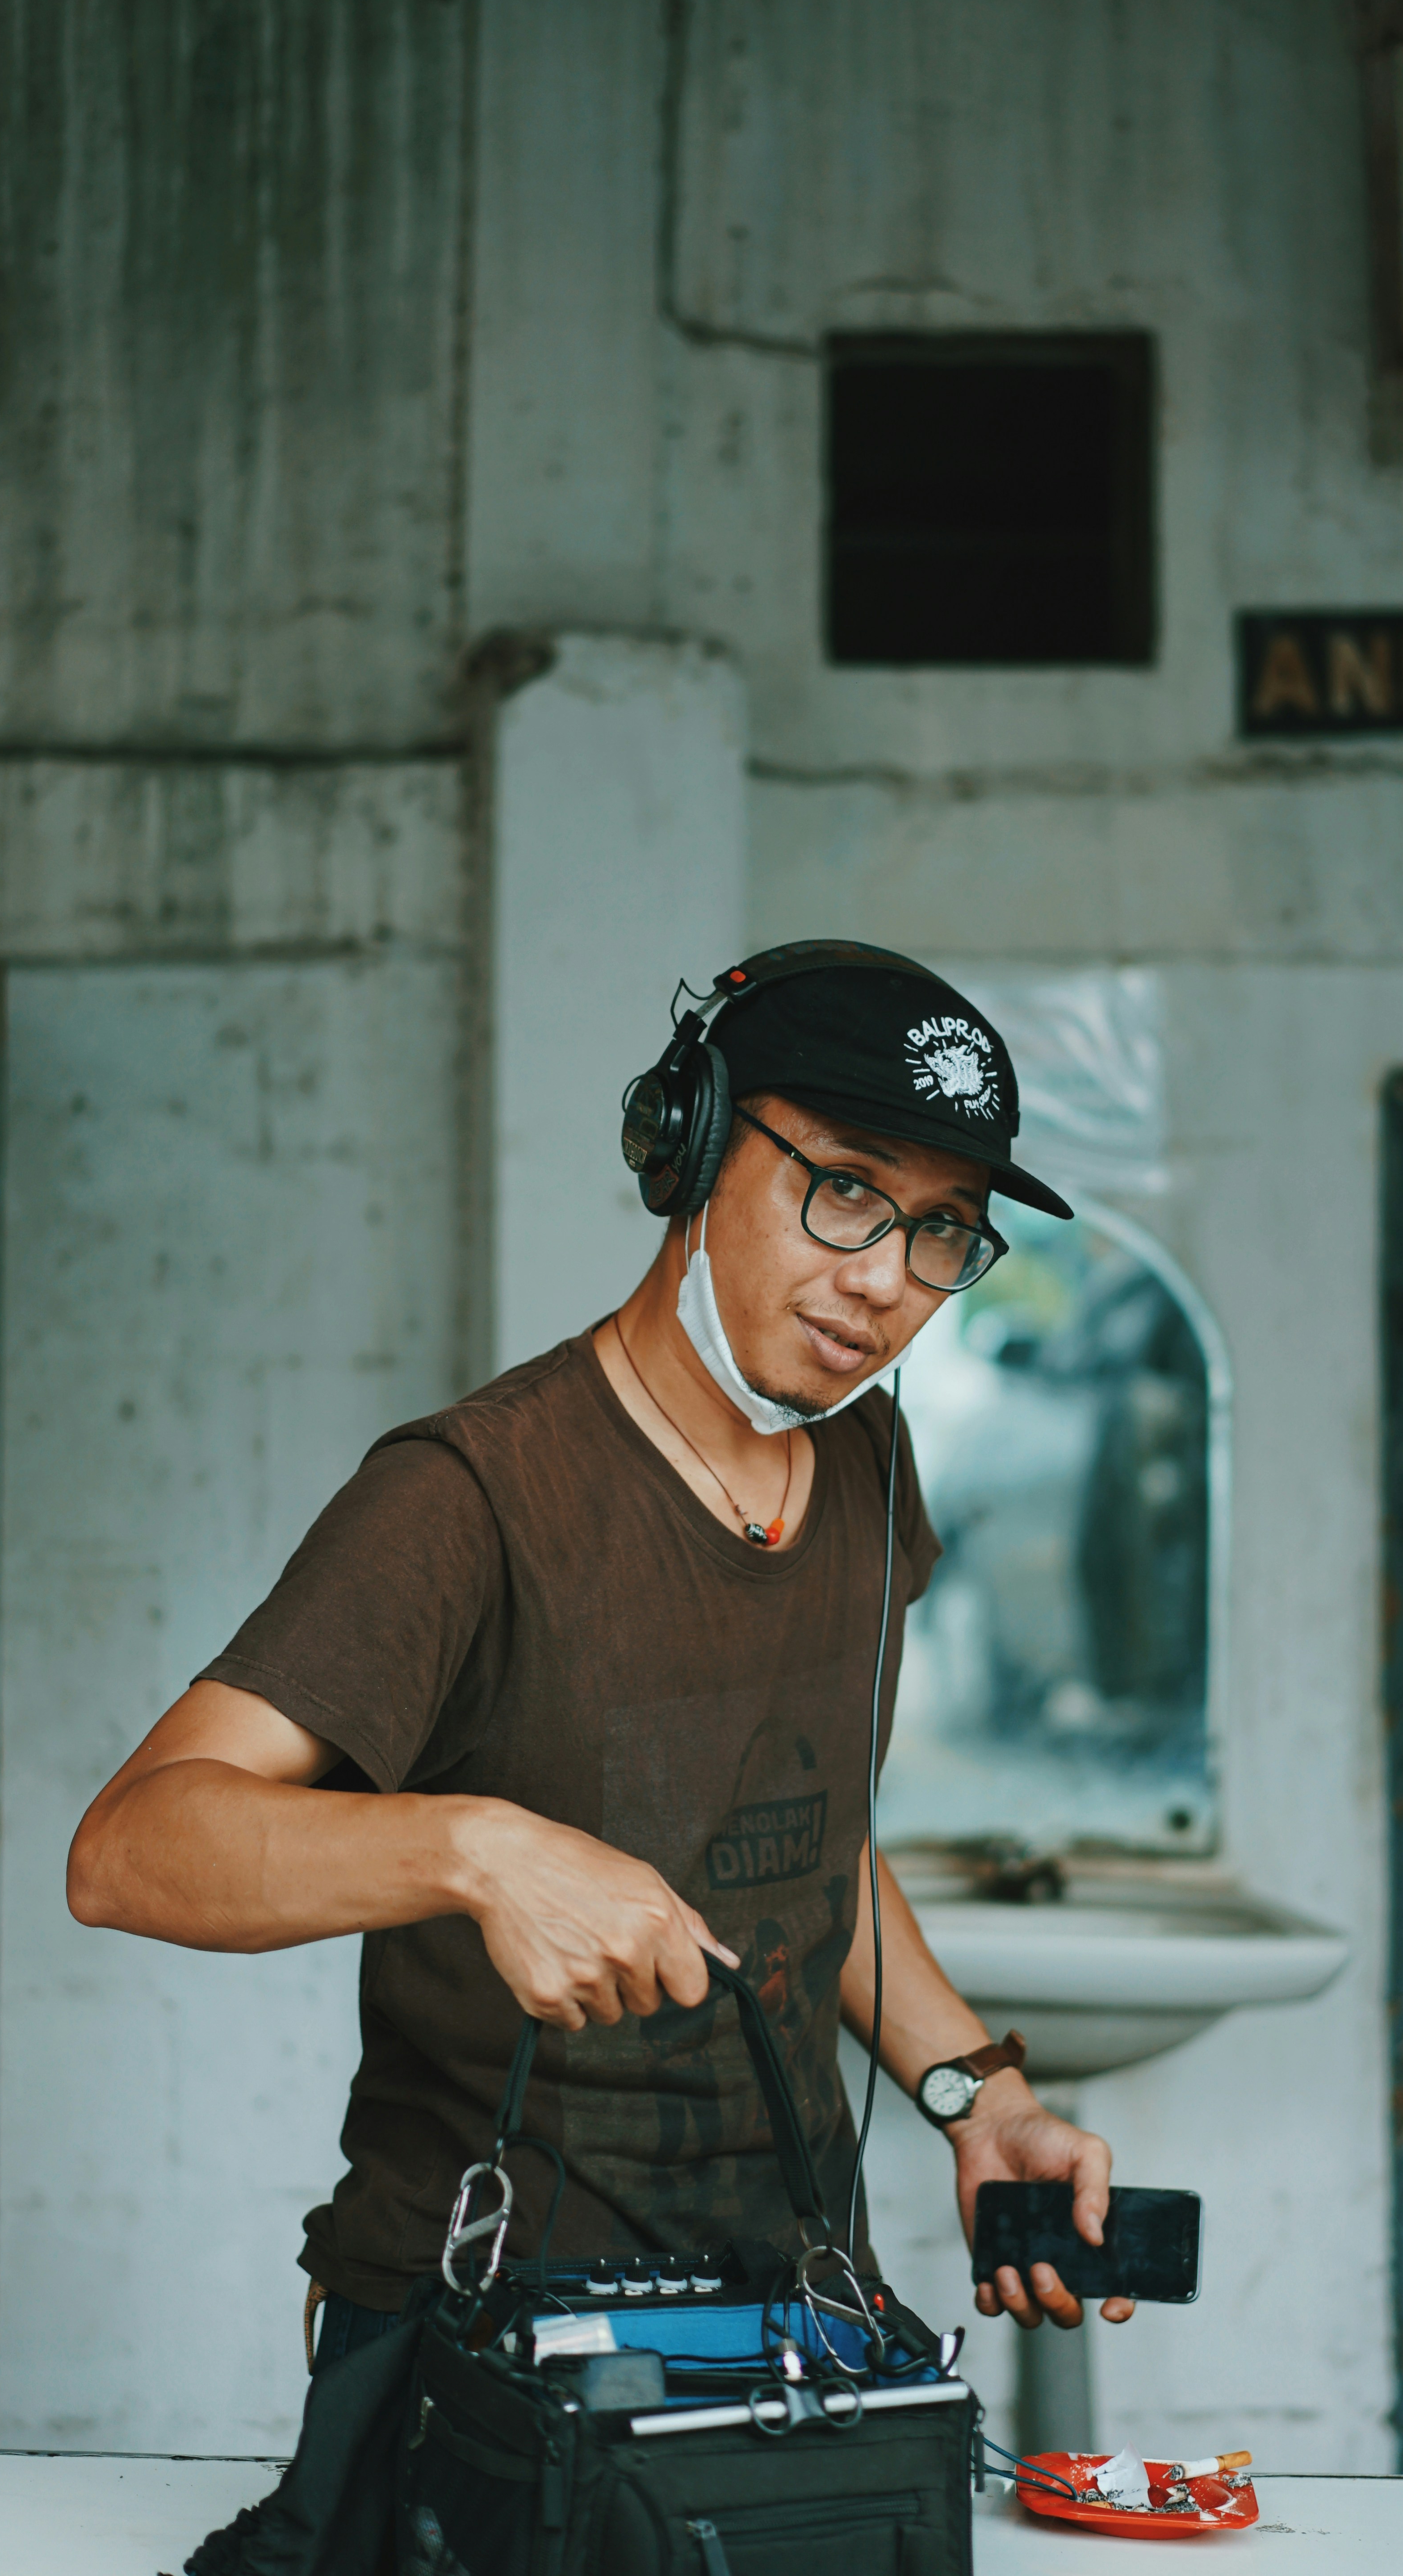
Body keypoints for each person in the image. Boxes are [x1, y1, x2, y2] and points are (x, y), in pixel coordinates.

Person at [67, 939, 1134, 2372]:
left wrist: (975, 2093)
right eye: (845, 1189)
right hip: (490, 2334)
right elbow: (129, 1851)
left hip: (798, 2315)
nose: (885, 1279)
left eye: (941, 1228)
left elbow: (805, 1842)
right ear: (689, 1147)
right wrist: (480, 1850)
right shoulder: (469, 1495)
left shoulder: (871, 1463)